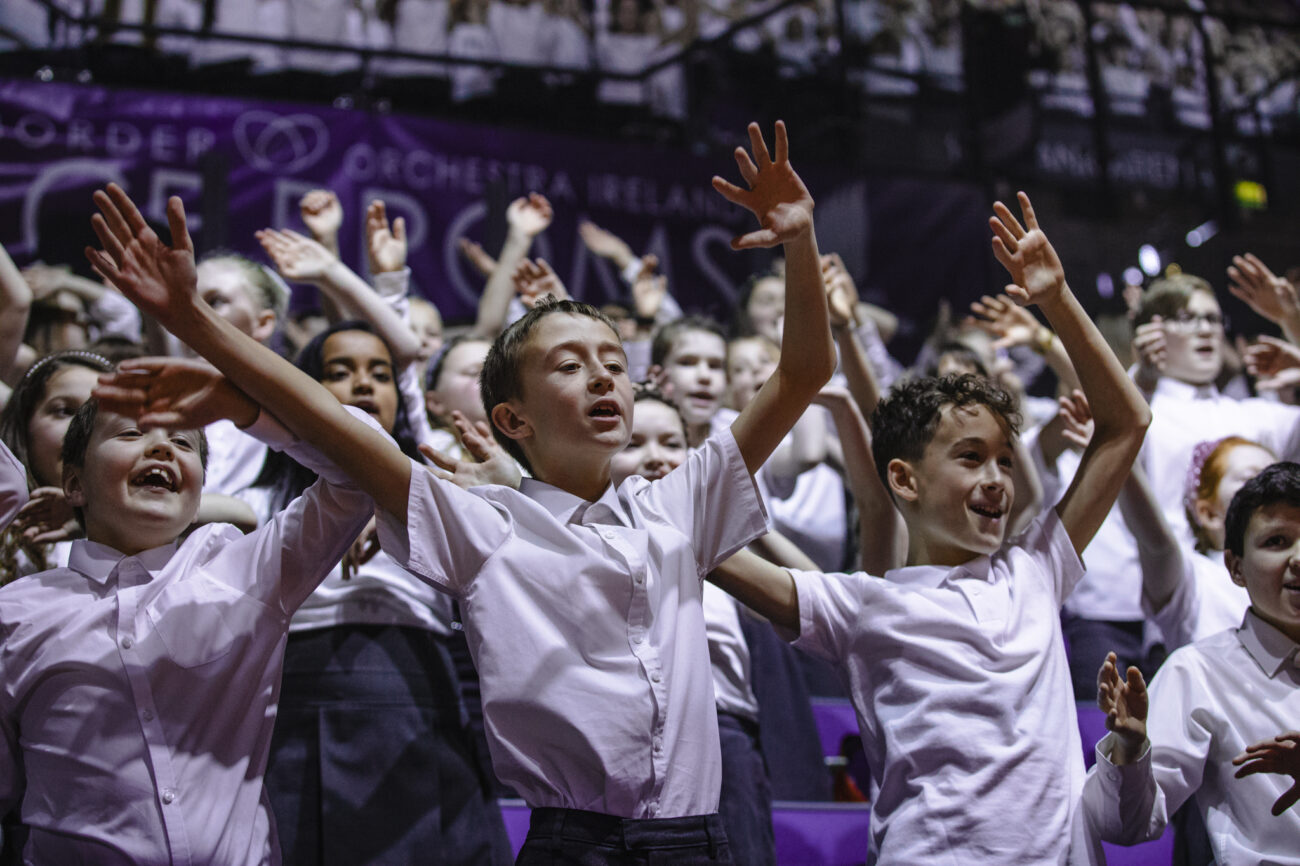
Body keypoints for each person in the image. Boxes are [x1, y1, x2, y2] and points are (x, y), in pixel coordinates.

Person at [85, 119, 836, 865]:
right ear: (510, 418)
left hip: (698, 839)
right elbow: (330, 424)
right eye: (570, 366)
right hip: (572, 845)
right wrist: (193, 323)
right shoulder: (482, 526)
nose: (604, 375)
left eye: (613, 361)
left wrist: (800, 240)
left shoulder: (682, 504)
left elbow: (801, 372)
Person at [707, 192, 1151, 864]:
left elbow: (1126, 426)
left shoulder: (1035, 570)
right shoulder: (862, 605)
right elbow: (703, 541)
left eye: (1004, 459)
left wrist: (1057, 300)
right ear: (906, 480)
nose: (998, 478)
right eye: (970, 458)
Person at [0, 357, 376, 863]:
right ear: (74, 484)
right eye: (130, 433)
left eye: (183, 443)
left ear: (200, 491)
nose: (160, 446)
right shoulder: (16, 611)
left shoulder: (246, 571)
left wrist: (242, 409)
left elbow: (364, 456)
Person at [251, 321, 510, 864]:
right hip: (300, 685)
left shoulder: (439, 485)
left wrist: (390, 506)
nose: (364, 385)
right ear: (305, 389)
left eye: (381, 374)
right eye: (338, 372)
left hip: (420, 684)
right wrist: (340, 511)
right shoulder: (263, 495)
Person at [1083, 462, 1300, 862]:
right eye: (1277, 541)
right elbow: (1123, 825)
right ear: (1236, 567)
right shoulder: (1201, 672)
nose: (1299, 559)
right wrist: (1131, 749)